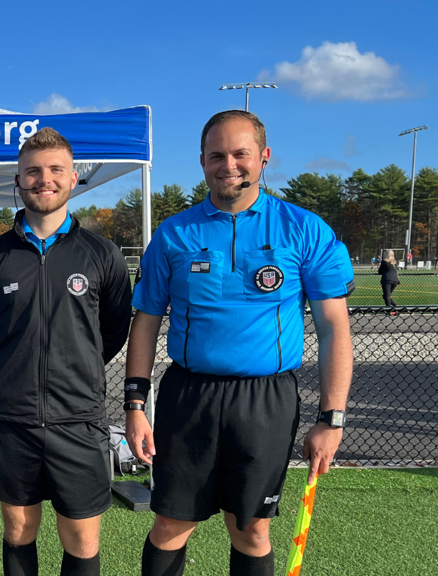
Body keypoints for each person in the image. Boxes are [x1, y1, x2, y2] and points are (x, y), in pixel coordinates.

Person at [126, 110, 354, 576]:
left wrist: (331, 419)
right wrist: (135, 406)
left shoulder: (304, 229)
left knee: (251, 529)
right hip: (189, 396)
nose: (228, 165)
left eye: (240, 154)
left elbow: (334, 328)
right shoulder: (173, 233)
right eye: (216, 156)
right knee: (170, 523)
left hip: (265, 399)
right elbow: (145, 322)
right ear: (202, 161)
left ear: (263, 157)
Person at [0, 127, 133, 576]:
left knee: (81, 538)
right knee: (19, 530)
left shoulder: (103, 254)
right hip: (11, 420)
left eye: (56, 169)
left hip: (79, 419)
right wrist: (9, 373)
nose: (44, 179)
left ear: (74, 178)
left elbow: (112, 332)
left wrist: (76, 368)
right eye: (33, 171)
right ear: (18, 180)